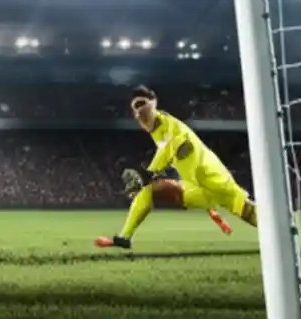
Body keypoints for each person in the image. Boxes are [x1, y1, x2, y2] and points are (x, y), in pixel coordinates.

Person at [96, 85, 255, 249]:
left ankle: (281, 228)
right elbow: (176, 159)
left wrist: (147, 173)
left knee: (253, 215)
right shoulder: (157, 133)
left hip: (217, 181)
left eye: (141, 104)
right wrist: (211, 211)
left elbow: (171, 147)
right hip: (197, 187)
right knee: (148, 192)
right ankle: (124, 237)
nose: (138, 113)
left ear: (153, 102)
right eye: (135, 109)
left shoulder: (169, 124)